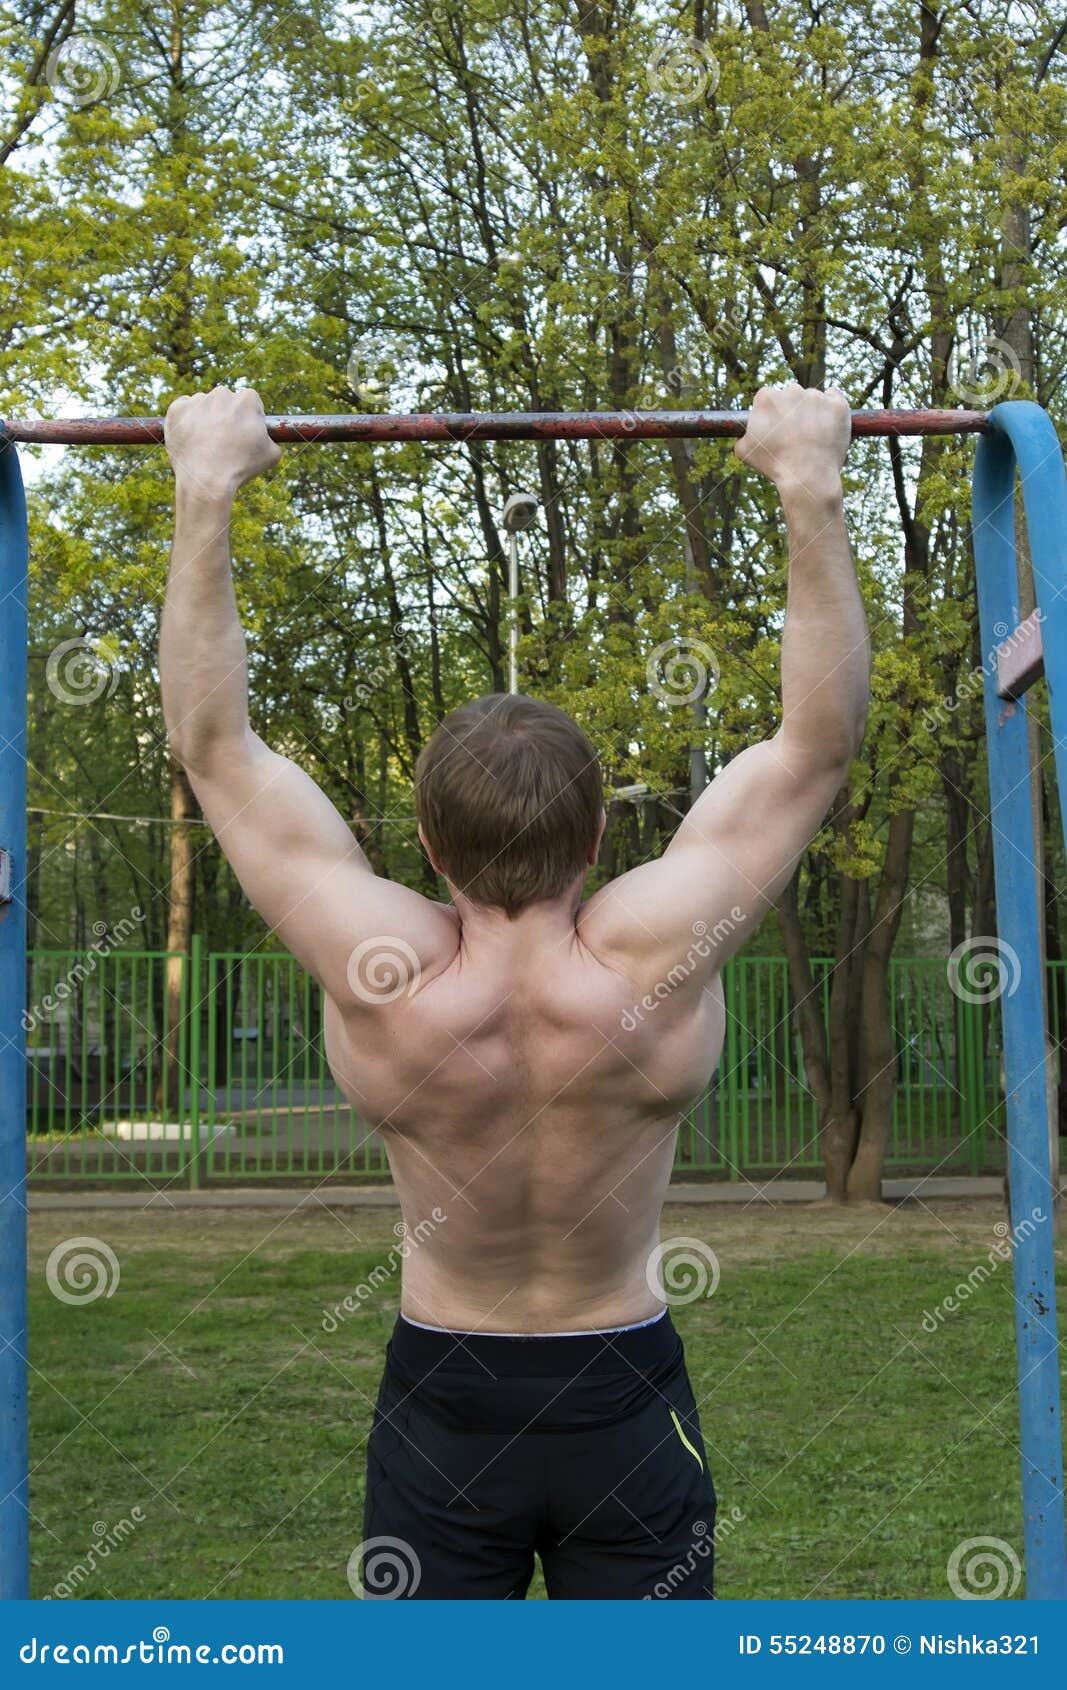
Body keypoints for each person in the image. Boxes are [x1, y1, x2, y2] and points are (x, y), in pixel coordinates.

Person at [160, 383, 869, 1599]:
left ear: (427, 848)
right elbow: (814, 747)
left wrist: (205, 489)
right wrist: (807, 488)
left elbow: (214, 747)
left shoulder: (385, 971)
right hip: (623, 1395)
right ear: (599, 834)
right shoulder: (650, 955)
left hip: (445, 1402)